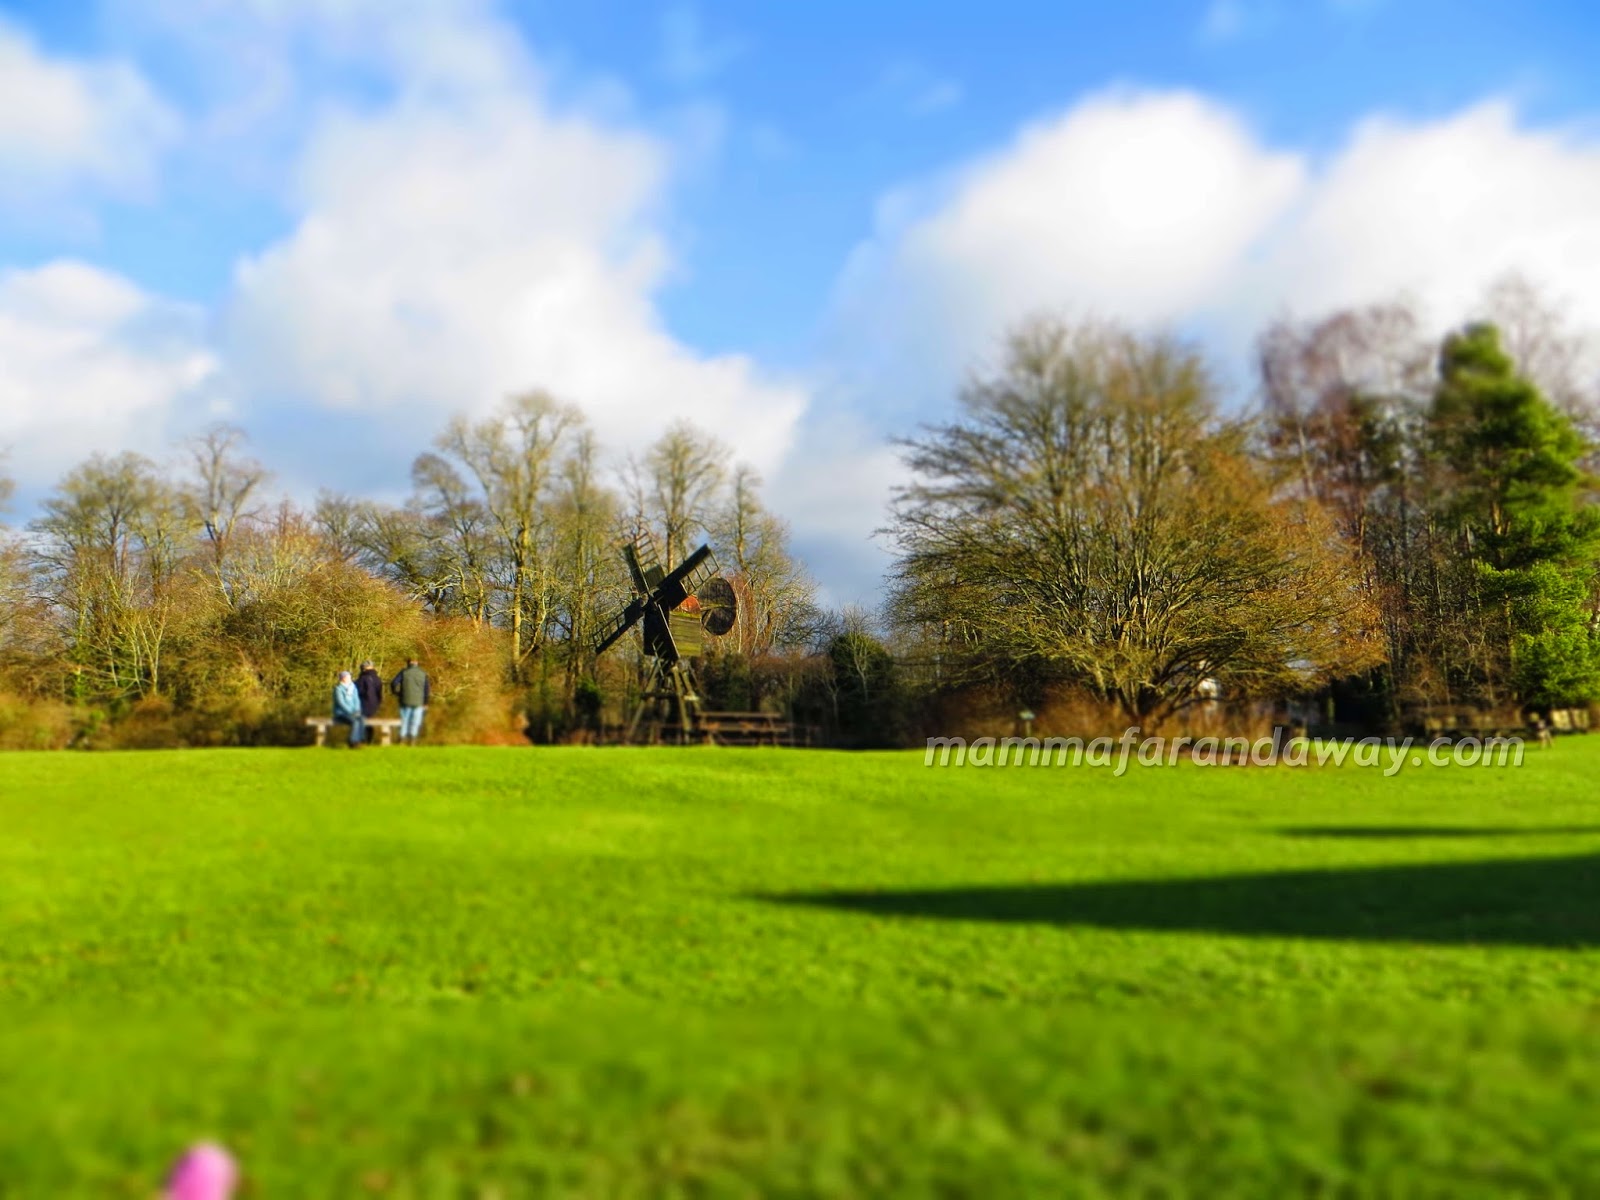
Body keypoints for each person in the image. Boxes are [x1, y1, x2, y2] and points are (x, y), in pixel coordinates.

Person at [390, 657, 430, 745]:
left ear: (408, 663)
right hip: (419, 702)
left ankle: (402, 738)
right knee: (415, 721)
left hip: (405, 700)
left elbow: (394, 683)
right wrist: (426, 702)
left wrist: (396, 692)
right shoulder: (423, 674)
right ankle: (412, 739)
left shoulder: (403, 672)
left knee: (404, 720)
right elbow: (426, 690)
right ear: (417, 663)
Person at [331, 670, 365, 749]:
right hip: (341, 713)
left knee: (362, 719)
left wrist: (357, 710)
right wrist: (351, 712)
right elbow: (341, 703)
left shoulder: (353, 688)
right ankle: (352, 742)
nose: (350, 678)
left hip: (353, 712)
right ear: (343, 679)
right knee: (355, 721)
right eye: (348, 677)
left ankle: (360, 740)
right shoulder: (338, 689)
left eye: (350, 677)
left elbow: (357, 700)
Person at [355, 659, 384, 742]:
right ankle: (369, 739)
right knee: (369, 721)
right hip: (374, 704)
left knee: (361, 722)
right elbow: (379, 693)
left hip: (363, 703)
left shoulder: (362, 678)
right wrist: (378, 703)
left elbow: (357, 691)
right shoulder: (377, 678)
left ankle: (363, 740)